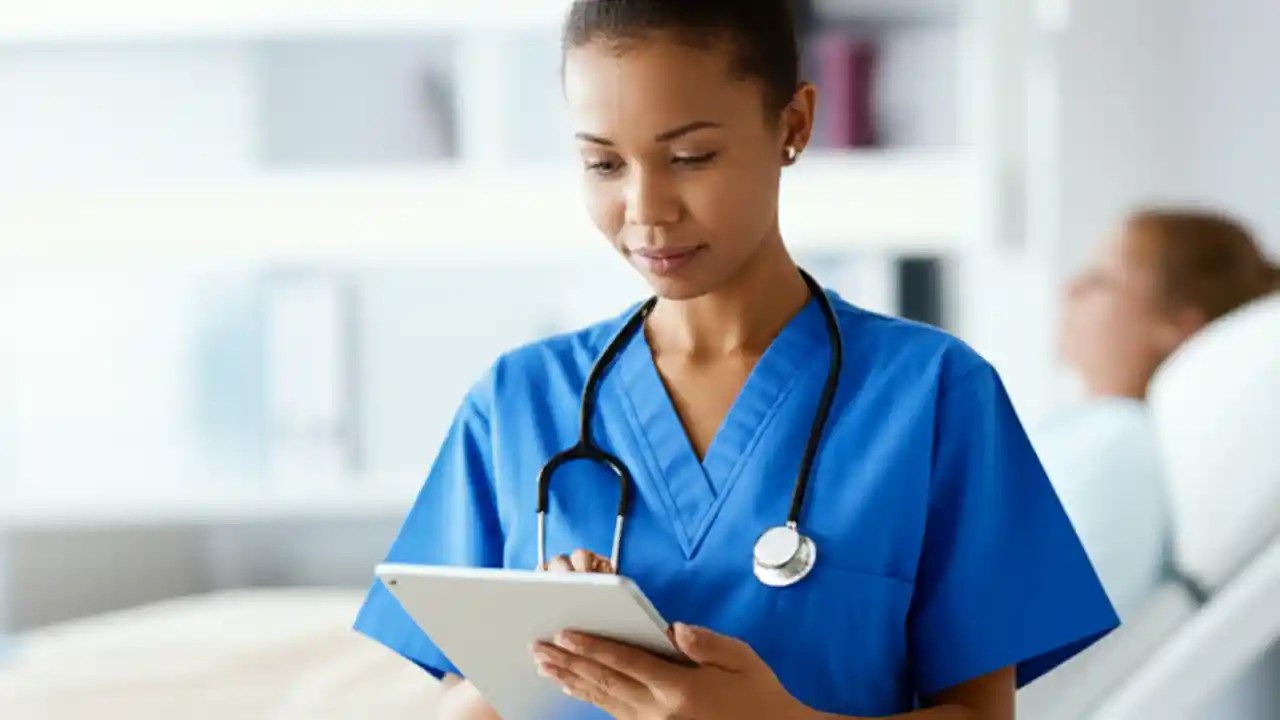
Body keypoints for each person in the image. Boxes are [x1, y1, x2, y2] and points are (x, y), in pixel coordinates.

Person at [354, 2, 1119, 717]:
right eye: (604, 165)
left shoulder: (936, 397)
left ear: (794, 124)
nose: (647, 209)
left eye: (690, 156)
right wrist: (539, 656)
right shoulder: (517, 402)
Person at [1034, 209, 1279, 619]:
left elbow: (1049, 628)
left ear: (1174, 325)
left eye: (1101, 280)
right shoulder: (1091, 433)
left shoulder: (1115, 443)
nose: (1070, 288)